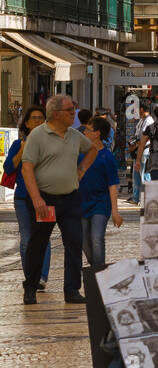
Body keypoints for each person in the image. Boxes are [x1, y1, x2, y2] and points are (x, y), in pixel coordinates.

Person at [19, 95, 99, 304]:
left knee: (74, 243)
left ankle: (72, 290)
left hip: (70, 199)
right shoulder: (38, 135)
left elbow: (92, 149)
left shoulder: (74, 135)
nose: (74, 114)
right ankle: (30, 287)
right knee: (38, 244)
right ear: (56, 114)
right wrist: (37, 199)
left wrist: (82, 170)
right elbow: (27, 168)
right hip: (45, 199)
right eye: (69, 111)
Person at [3, 106, 51, 290]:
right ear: (27, 123)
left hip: (46, 196)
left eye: (41, 118)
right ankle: (30, 276)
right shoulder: (18, 144)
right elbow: (8, 169)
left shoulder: (51, 144)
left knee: (44, 237)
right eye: (34, 118)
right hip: (23, 197)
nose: (38, 121)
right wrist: (22, 151)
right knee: (26, 238)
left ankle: (41, 277)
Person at [78, 116, 123, 268]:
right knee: (84, 241)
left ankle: (99, 272)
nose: (84, 132)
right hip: (81, 203)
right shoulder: (80, 154)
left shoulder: (107, 157)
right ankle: (96, 267)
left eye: (88, 130)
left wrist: (115, 211)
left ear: (97, 133)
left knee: (96, 238)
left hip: (100, 205)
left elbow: (112, 185)